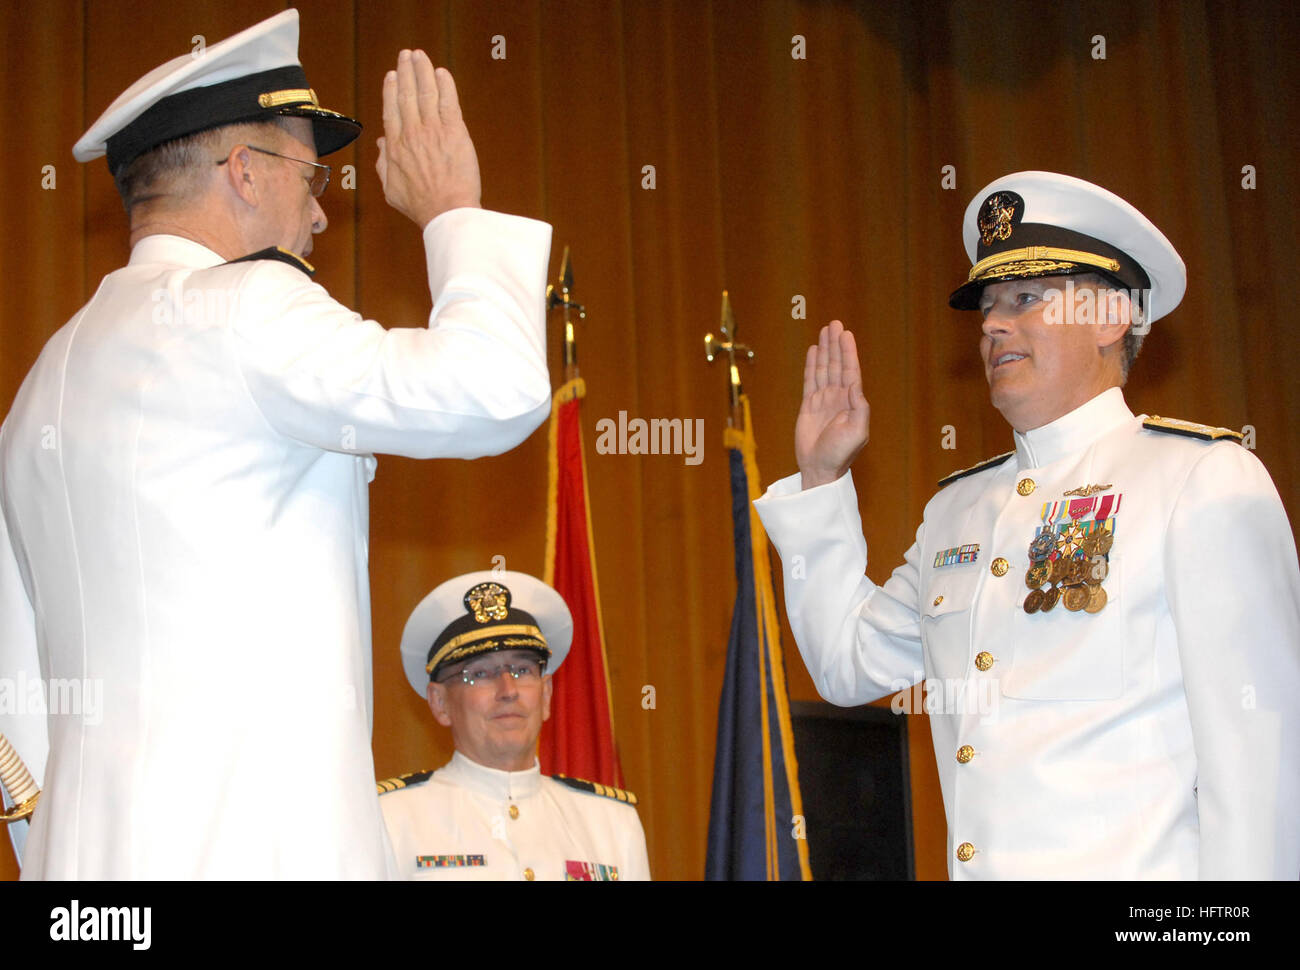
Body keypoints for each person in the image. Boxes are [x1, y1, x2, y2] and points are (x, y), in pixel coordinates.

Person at [0, 10, 554, 878]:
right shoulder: (246, 311)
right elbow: (498, 389)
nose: (322, 217)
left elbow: (16, 694)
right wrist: (453, 212)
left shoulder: (45, 383)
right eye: (312, 177)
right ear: (245, 173)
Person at [753, 171, 1300, 879]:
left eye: (1024, 298)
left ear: (1110, 315)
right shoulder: (959, 510)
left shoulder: (1199, 479)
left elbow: (1261, 760)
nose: (990, 323)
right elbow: (845, 665)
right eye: (987, 305)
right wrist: (822, 479)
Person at [380, 570, 650, 880]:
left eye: (522, 670)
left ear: (546, 694)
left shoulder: (612, 824)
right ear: (440, 703)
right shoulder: (392, 821)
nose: (508, 691)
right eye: (480, 674)